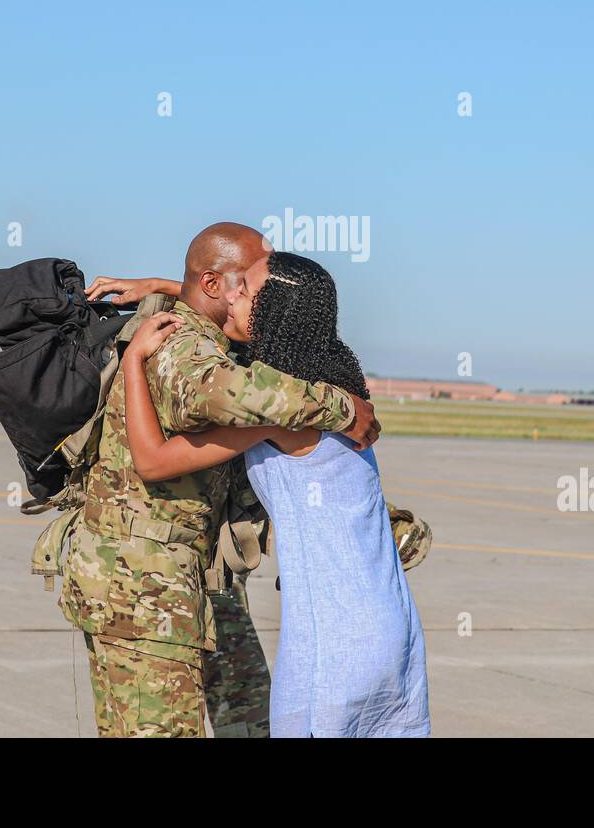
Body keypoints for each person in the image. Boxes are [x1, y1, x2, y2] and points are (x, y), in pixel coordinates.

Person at [59, 223, 381, 737]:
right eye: (254, 285)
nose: (266, 295)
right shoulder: (178, 345)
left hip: (200, 577)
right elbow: (220, 394)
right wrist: (340, 406)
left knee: (253, 722)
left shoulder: (205, 334)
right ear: (214, 286)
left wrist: (166, 285)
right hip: (142, 585)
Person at [121, 250, 429, 738]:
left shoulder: (281, 415)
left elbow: (153, 460)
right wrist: (165, 286)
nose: (232, 294)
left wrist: (133, 360)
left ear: (277, 312)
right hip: (386, 625)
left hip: (336, 641)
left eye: (246, 289)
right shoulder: (330, 390)